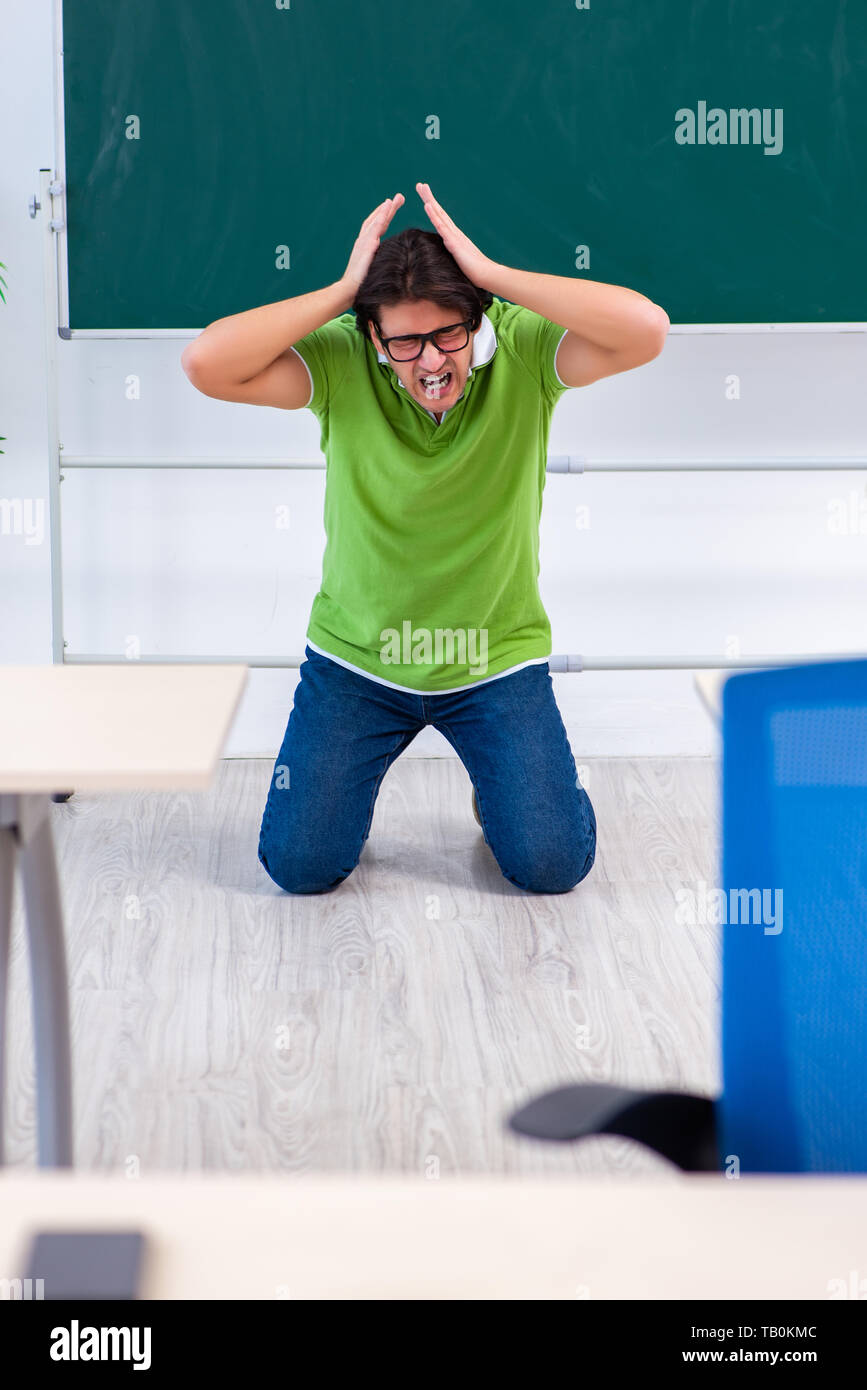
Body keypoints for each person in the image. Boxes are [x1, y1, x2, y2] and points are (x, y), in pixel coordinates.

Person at [182, 183, 669, 894]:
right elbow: (206, 364)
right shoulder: (342, 361)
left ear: (479, 322)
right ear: (373, 338)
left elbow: (646, 328)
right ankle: (356, 792)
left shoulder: (527, 356)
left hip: (492, 664)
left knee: (550, 866)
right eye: (404, 341)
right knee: (301, 867)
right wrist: (343, 291)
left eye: (448, 334)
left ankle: (505, 788)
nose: (431, 362)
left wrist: (493, 276)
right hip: (358, 666)